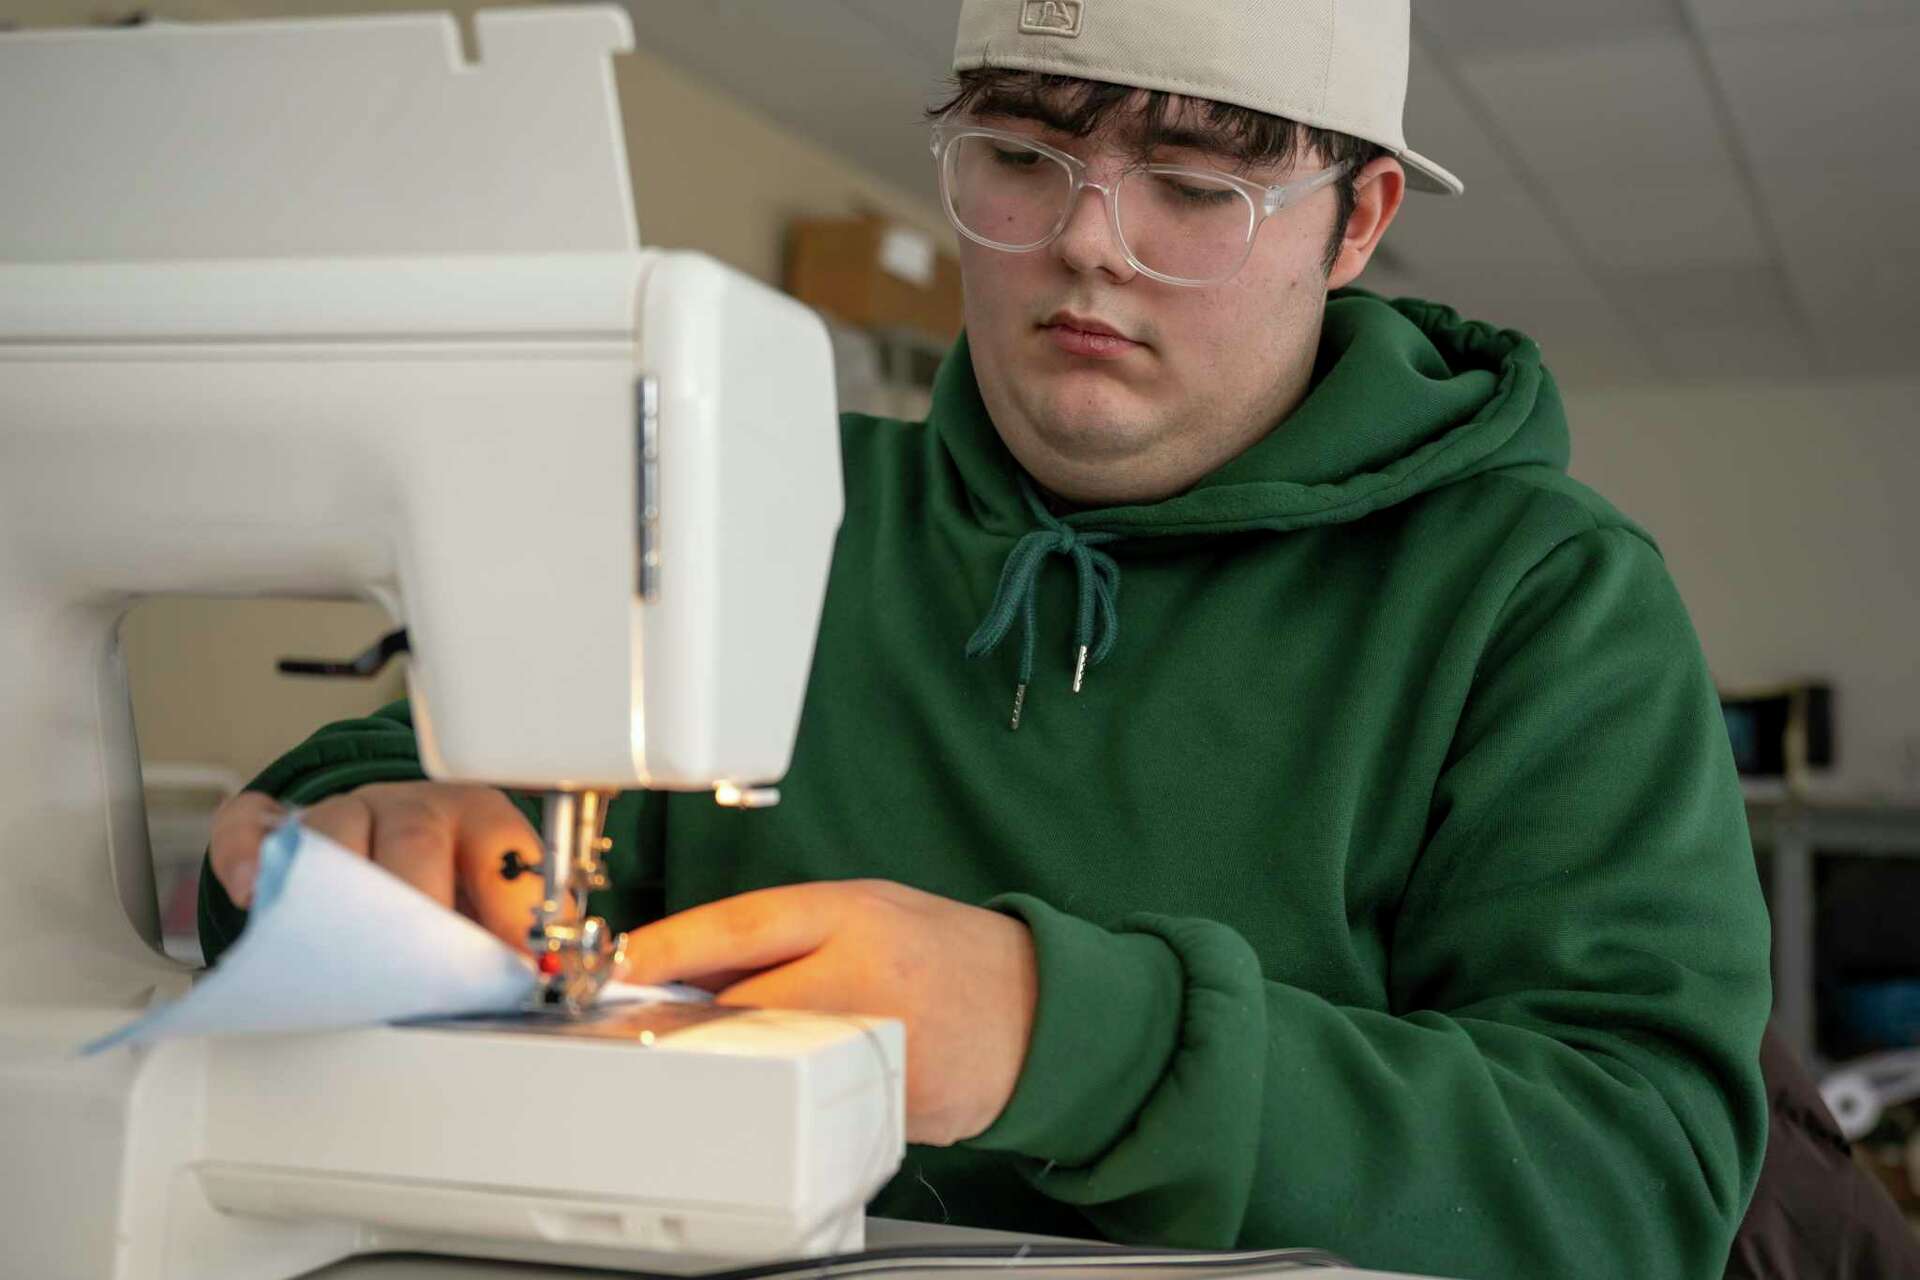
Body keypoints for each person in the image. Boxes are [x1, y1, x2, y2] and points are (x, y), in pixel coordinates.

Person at [199, 2, 1775, 1275]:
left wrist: (1064, 1037)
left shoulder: (1540, 600)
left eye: (1195, 188)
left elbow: (1633, 1189)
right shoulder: (763, 500)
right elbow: (424, 775)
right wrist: (370, 845)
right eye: (1024, 157)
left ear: (1354, 221)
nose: (1087, 240)